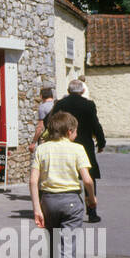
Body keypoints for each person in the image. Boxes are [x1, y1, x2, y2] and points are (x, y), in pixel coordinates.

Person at [29, 110, 97, 258]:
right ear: (69, 131)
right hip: (71, 202)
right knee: (67, 252)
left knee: (51, 248)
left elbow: (33, 181)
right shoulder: (77, 149)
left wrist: (36, 208)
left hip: (48, 200)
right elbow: (87, 180)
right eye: (75, 131)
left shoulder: (42, 149)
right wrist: (91, 199)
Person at [49, 79, 105, 223]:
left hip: (63, 142)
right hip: (85, 144)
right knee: (88, 176)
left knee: (64, 172)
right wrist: (101, 142)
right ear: (82, 91)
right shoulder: (88, 105)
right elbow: (95, 124)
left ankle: (64, 208)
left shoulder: (61, 104)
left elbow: (50, 122)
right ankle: (92, 211)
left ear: (68, 91)